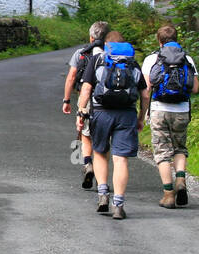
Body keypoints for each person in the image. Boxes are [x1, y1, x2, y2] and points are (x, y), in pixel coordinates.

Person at [76, 30, 148, 219]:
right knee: (120, 159)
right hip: (126, 114)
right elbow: (145, 93)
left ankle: (102, 195)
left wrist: (81, 111)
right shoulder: (132, 62)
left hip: (101, 112)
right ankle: (119, 204)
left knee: (99, 153)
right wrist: (141, 117)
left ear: (107, 45)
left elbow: (86, 88)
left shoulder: (98, 59)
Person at [142, 23, 199, 208]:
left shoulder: (152, 59)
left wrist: (141, 114)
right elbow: (196, 87)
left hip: (159, 109)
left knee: (162, 153)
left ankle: (168, 194)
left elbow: (146, 89)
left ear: (159, 41)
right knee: (180, 148)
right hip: (181, 110)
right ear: (177, 39)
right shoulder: (187, 59)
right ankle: (181, 180)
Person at [63, 20, 108, 189]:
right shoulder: (111, 54)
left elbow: (71, 77)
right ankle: (101, 174)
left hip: (86, 99)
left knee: (86, 135)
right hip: (106, 101)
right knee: (103, 138)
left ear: (90, 37)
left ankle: (88, 165)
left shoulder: (81, 53)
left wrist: (66, 100)